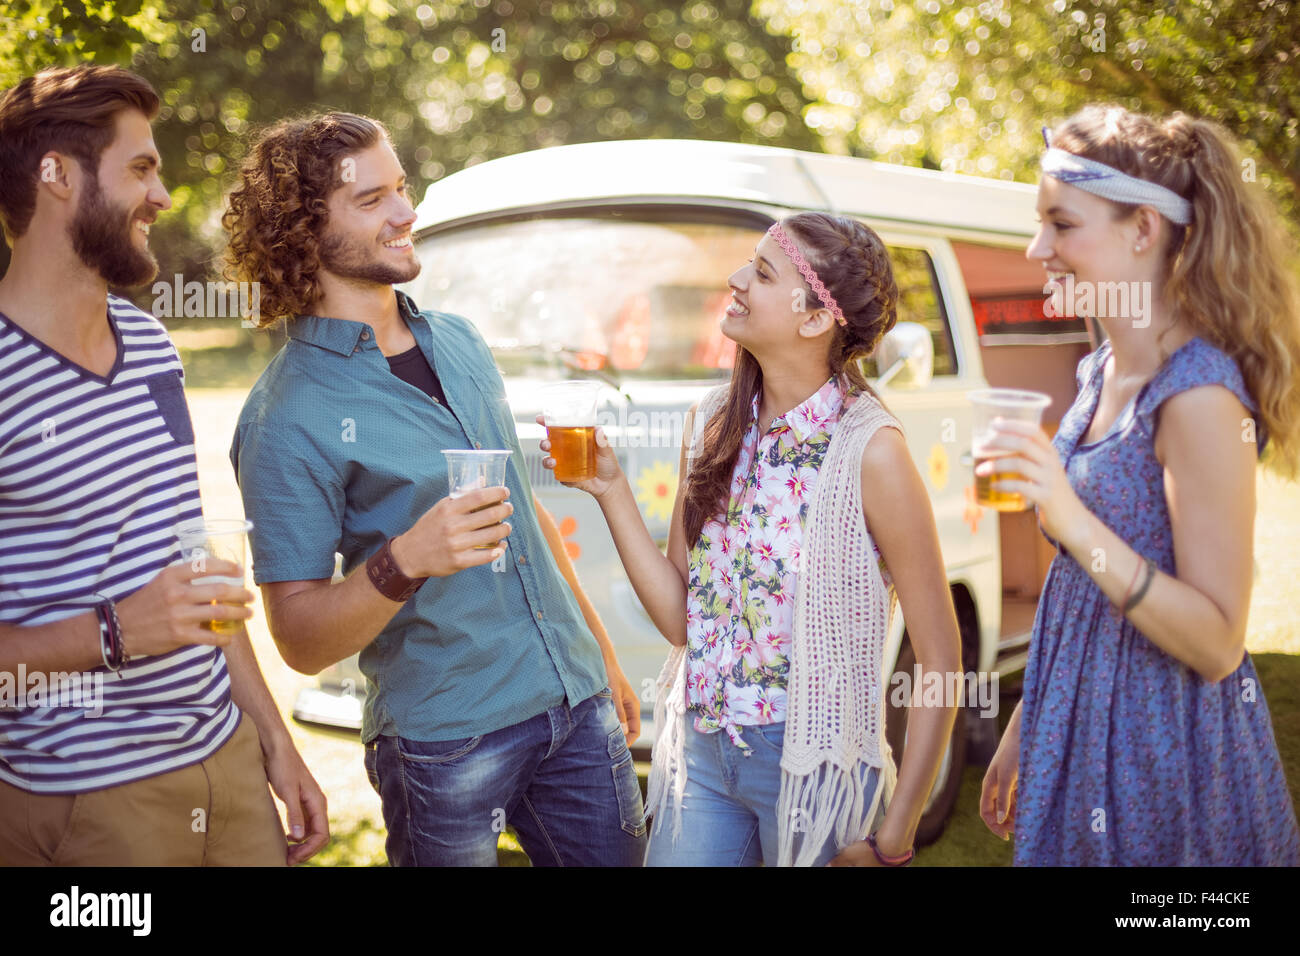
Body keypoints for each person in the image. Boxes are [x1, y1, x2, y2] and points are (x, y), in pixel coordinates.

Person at [224, 112, 646, 867]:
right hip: (445, 740)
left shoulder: (460, 340)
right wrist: (406, 559)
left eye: (403, 188)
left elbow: (525, 516)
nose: (404, 213)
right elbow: (297, 637)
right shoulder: (285, 417)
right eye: (372, 200)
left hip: (575, 705)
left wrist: (601, 656)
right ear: (303, 230)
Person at [542, 212, 962, 866]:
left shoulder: (871, 452)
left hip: (815, 768)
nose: (736, 279)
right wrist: (611, 491)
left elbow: (940, 657)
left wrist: (895, 839)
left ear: (815, 318)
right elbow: (682, 621)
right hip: (700, 756)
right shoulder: (709, 421)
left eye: (763, 272)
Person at [0, 65, 327, 866]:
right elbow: (140, 617)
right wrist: (114, 632)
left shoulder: (150, 345)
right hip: (87, 802)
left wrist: (272, 740)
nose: (165, 195)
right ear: (56, 176)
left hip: (226, 761)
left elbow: (193, 572)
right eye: (141, 169)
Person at [979, 105, 1300, 865]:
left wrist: (1068, 515)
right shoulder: (1097, 374)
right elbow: (1080, 587)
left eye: (1061, 224)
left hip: (1160, 742)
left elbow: (1218, 643)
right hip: (1075, 714)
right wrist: (1030, 719)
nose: (1037, 248)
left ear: (1143, 230)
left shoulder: (1197, 396)